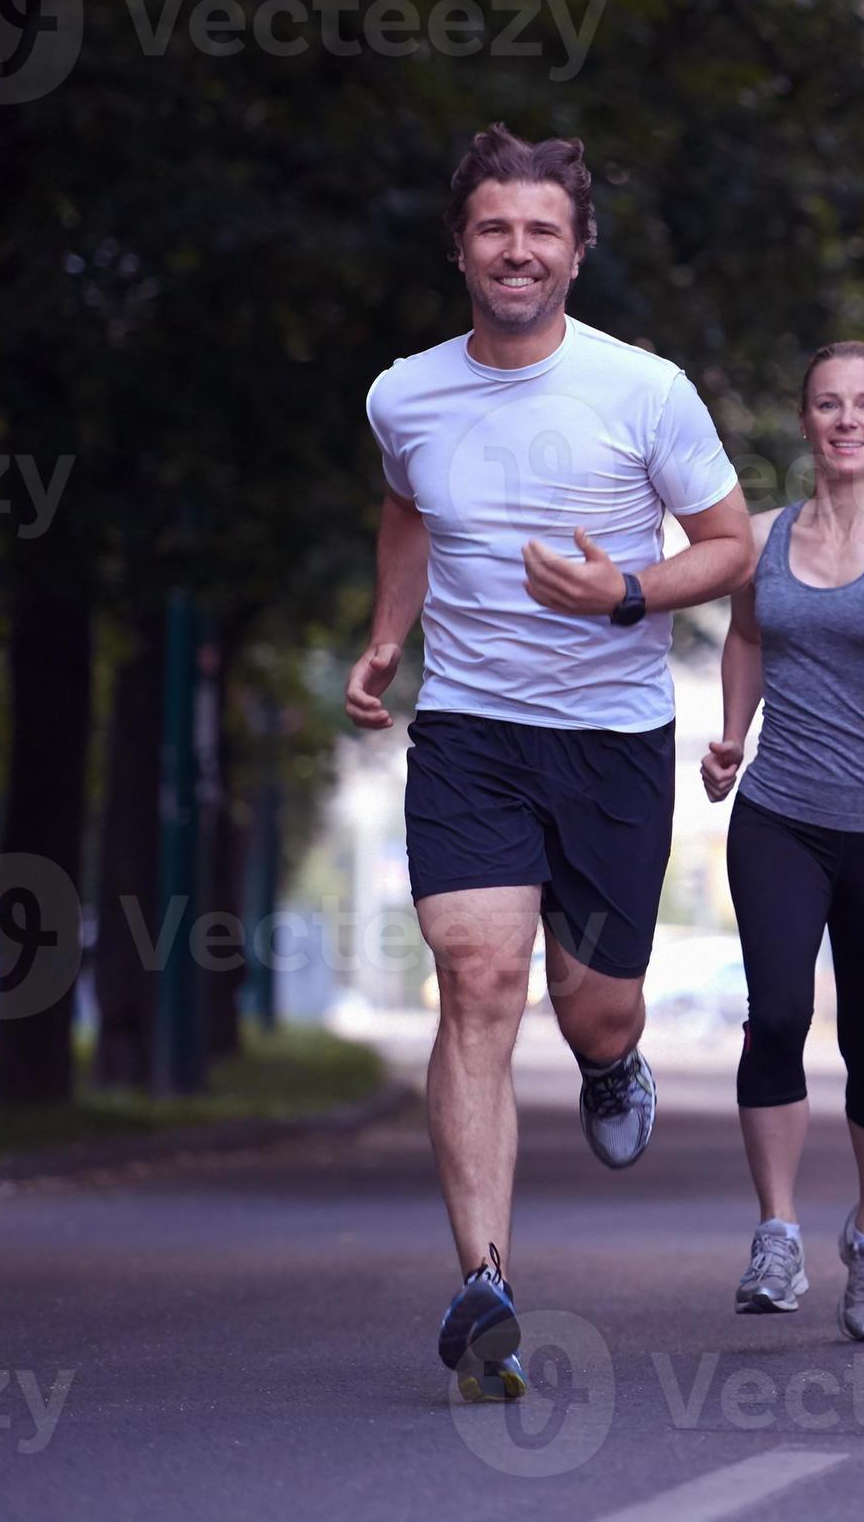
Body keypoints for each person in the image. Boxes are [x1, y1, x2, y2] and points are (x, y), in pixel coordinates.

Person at [349, 124, 754, 1403]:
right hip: (470, 734)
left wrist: (624, 590)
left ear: (576, 253)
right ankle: (485, 1286)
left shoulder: (645, 389)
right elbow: (406, 506)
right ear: (459, 246)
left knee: (596, 1005)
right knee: (478, 982)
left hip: (611, 741)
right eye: (493, 228)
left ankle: (609, 1060)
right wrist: (386, 638)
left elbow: (730, 545)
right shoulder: (404, 395)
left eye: (540, 231)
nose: (515, 250)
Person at [699, 341, 864, 1342]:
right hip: (780, 813)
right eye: (828, 404)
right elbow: (747, 636)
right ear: (805, 421)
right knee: (775, 1013)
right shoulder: (761, 536)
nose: (847, 420)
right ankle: (777, 1232)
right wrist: (732, 732)